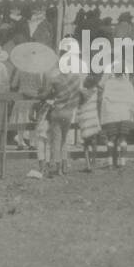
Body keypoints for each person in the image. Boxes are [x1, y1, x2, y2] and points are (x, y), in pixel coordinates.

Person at [40, 41, 86, 177]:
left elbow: (45, 94)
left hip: (57, 110)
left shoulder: (55, 78)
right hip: (69, 110)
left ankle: (56, 167)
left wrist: (41, 93)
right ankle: (64, 165)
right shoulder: (76, 78)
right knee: (64, 140)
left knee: (56, 140)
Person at [100, 70, 134, 168]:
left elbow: (104, 100)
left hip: (111, 114)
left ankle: (109, 162)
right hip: (124, 114)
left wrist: (104, 116)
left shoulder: (108, 83)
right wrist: (131, 114)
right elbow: (133, 100)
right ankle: (123, 162)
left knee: (111, 138)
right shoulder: (128, 84)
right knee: (123, 138)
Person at [76, 74, 105, 170]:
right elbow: (101, 88)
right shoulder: (95, 92)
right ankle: (94, 162)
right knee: (94, 142)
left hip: (85, 119)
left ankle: (87, 165)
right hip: (93, 118)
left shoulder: (82, 93)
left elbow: (78, 105)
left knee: (85, 144)